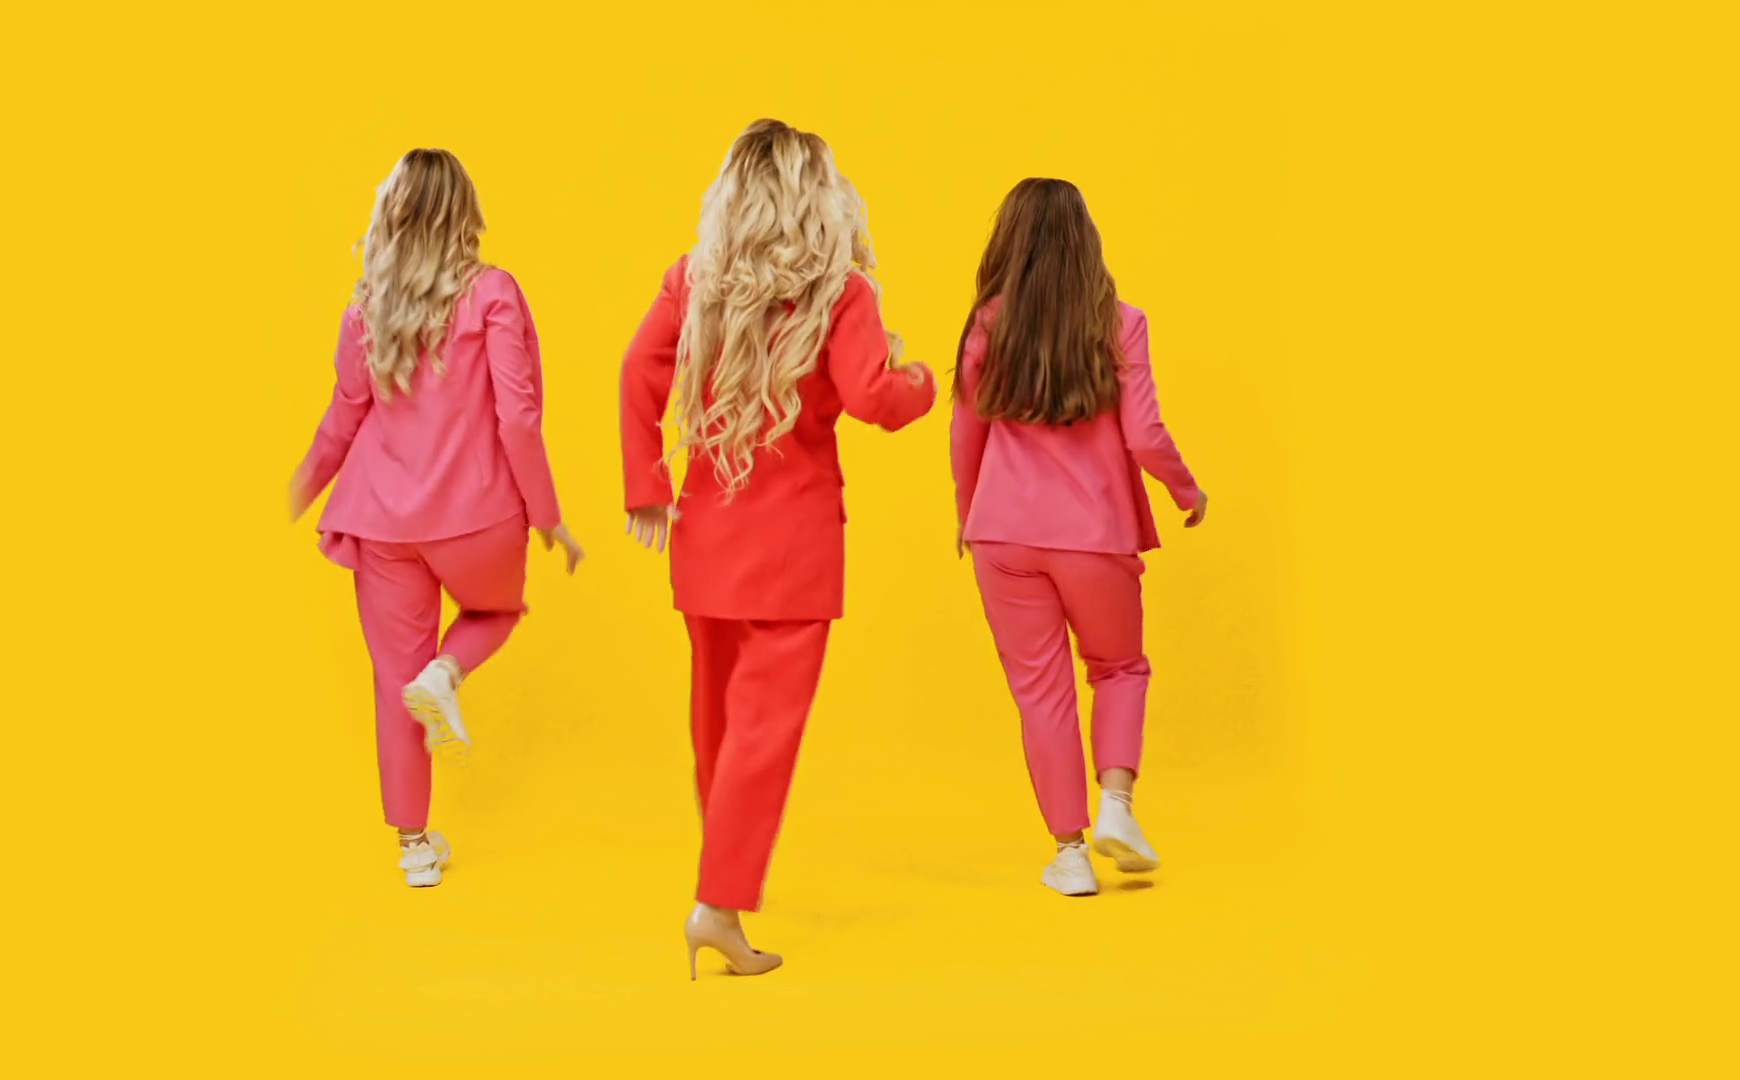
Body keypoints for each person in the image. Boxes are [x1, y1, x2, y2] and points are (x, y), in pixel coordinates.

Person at [620, 119, 936, 977]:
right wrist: (924, 384)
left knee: (718, 726)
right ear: (819, 198)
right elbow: (873, 397)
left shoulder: (696, 281)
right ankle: (715, 906)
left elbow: (636, 372)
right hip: (793, 550)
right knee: (762, 735)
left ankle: (715, 889)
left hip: (707, 539)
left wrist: (648, 486)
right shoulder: (842, 296)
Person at [289, 149, 583, 888]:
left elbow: (341, 420)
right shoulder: (493, 294)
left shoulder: (367, 309)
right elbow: (519, 417)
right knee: (496, 612)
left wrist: (293, 494)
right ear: (465, 212)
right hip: (477, 516)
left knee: (394, 678)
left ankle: (414, 849)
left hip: (381, 519)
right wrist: (547, 516)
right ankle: (448, 672)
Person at [950, 177, 1209, 898]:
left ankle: (1068, 856)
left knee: (1042, 693)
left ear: (1011, 244)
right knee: (1119, 668)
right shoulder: (1120, 321)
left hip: (1002, 533)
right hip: (1094, 535)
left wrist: (968, 516)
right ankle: (1117, 807)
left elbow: (964, 432)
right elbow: (1145, 434)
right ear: (1085, 240)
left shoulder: (987, 323)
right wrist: (1187, 491)